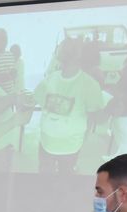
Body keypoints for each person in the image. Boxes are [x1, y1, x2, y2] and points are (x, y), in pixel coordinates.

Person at [33, 38, 105, 174]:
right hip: (49, 143)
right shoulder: (52, 78)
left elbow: (98, 118)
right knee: (53, 178)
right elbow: (36, 98)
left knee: (59, 178)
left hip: (68, 145)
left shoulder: (89, 84)